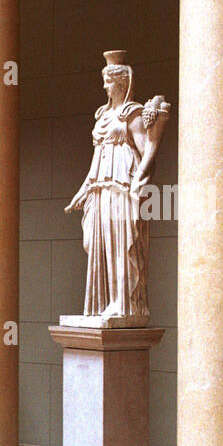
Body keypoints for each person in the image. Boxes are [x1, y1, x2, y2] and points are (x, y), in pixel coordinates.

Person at [65, 51, 171, 321]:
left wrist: (139, 179)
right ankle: (102, 304)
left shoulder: (130, 113)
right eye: (104, 81)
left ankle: (123, 304)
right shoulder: (101, 115)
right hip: (100, 186)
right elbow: (96, 157)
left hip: (122, 184)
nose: (104, 86)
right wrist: (83, 190)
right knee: (96, 243)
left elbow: (146, 148)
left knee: (121, 243)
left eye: (108, 81)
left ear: (121, 83)